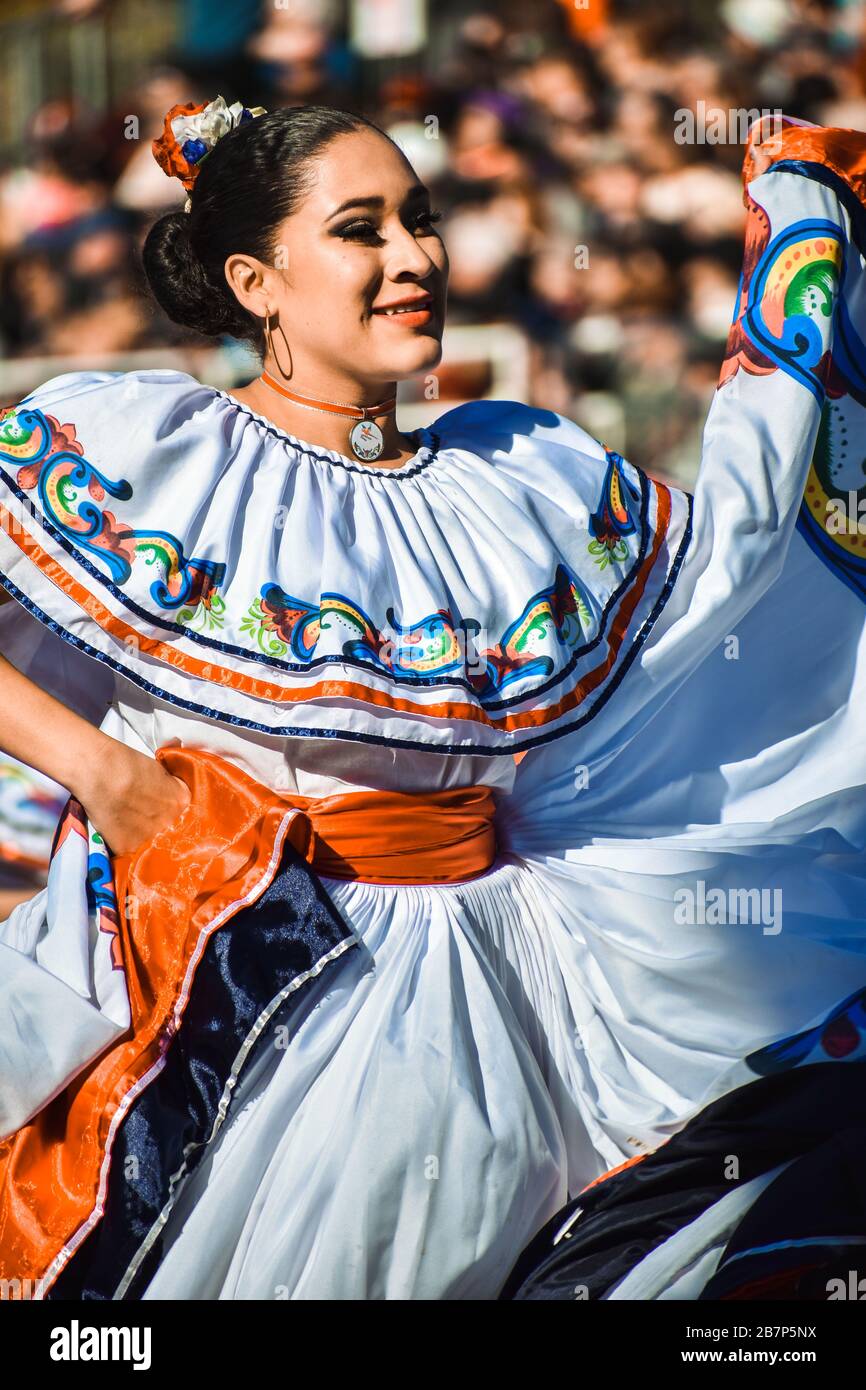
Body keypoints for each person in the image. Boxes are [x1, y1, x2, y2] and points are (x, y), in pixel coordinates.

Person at [0, 97, 864, 1302]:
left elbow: (730, 560)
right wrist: (106, 776)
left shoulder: (515, 473)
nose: (414, 258)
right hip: (235, 997)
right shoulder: (156, 445)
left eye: (421, 220)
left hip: (492, 989)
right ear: (256, 280)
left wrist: (801, 271)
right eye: (360, 229)